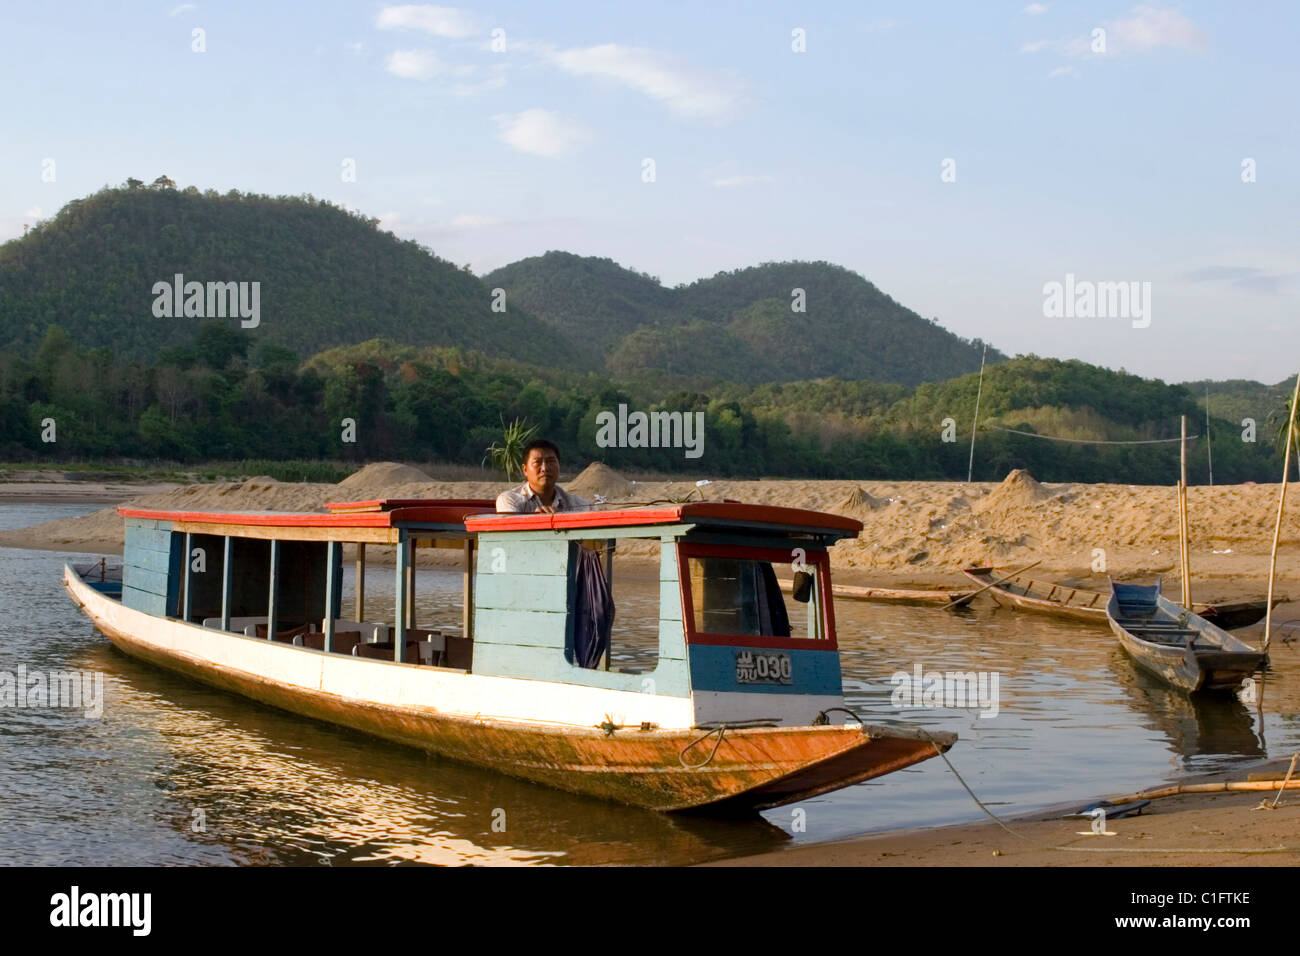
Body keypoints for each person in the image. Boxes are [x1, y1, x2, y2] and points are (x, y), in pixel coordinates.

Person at [496, 439, 591, 513]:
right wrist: (537, 521)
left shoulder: (580, 504)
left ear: (559, 466)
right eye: (537, 462)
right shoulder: (509, 500)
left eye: (551, 461)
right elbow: (511, 532)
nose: (545, 468)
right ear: (525, 470)